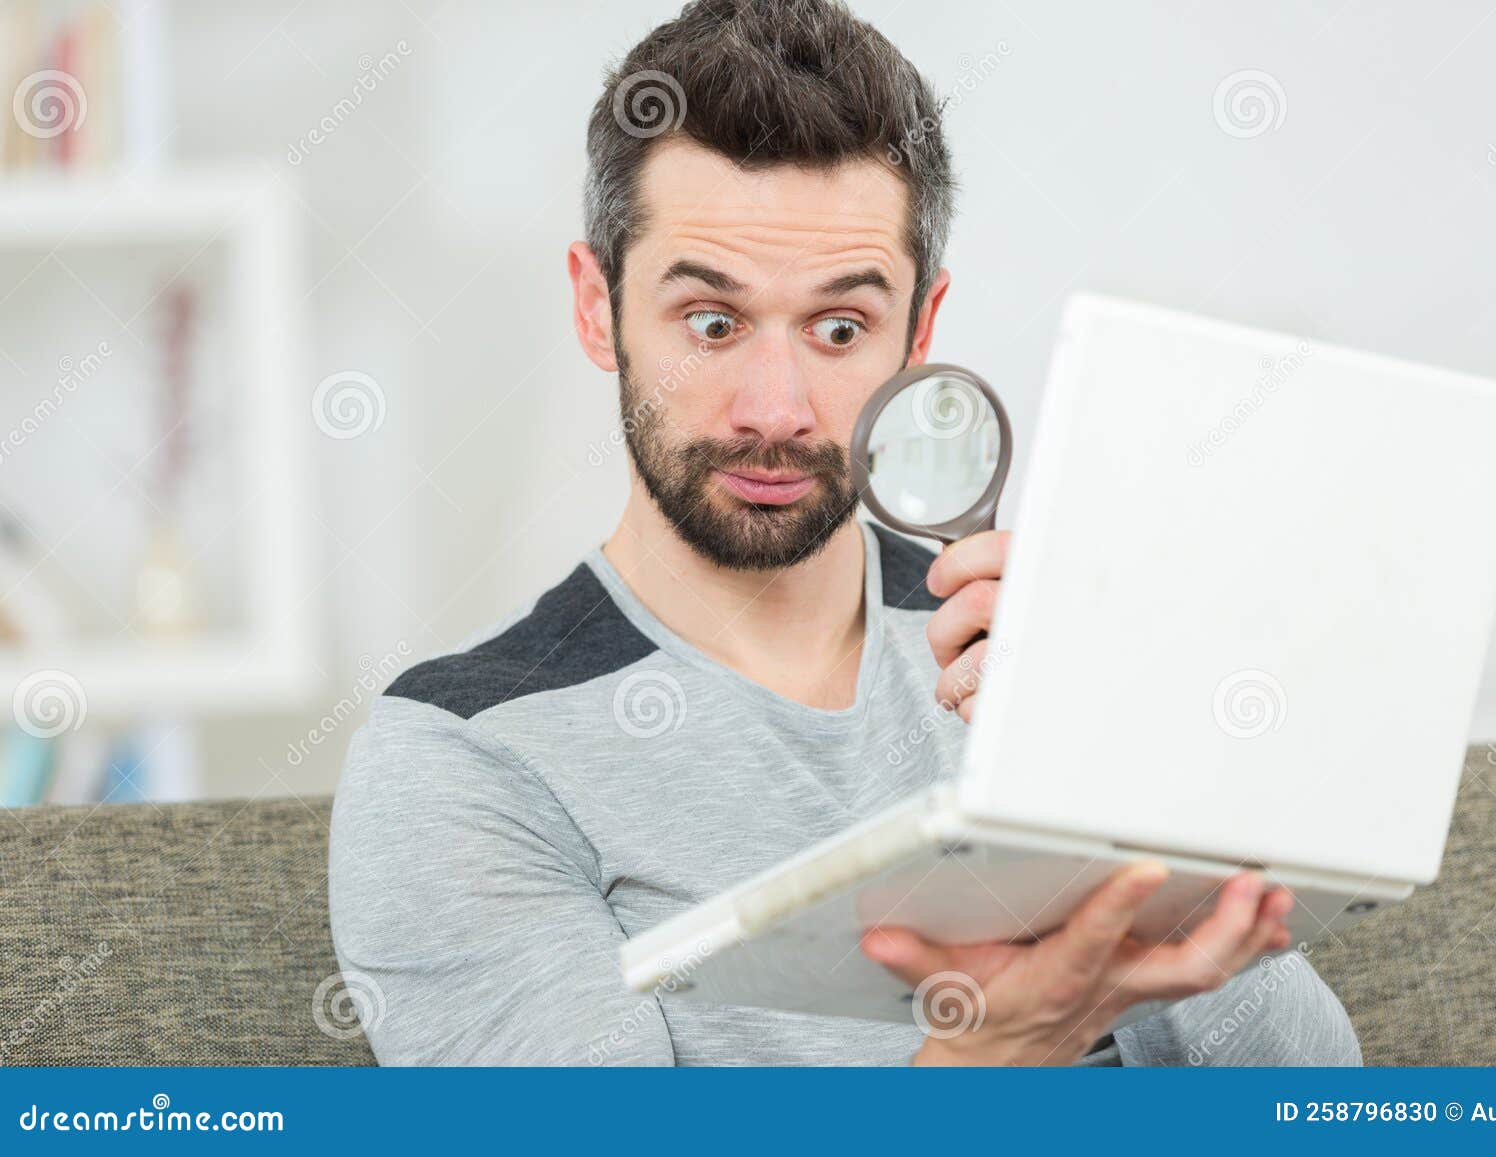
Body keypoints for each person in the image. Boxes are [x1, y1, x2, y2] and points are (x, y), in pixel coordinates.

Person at [329, 0, 1361, 1067]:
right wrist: (990, 1055)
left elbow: (1312, 1097)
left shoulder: (1030, 652)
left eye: (839, 328)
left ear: (919, 330)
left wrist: (1115, 795)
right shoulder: (465, 755)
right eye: (712, 321)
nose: (775, 409)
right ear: (598, 309)